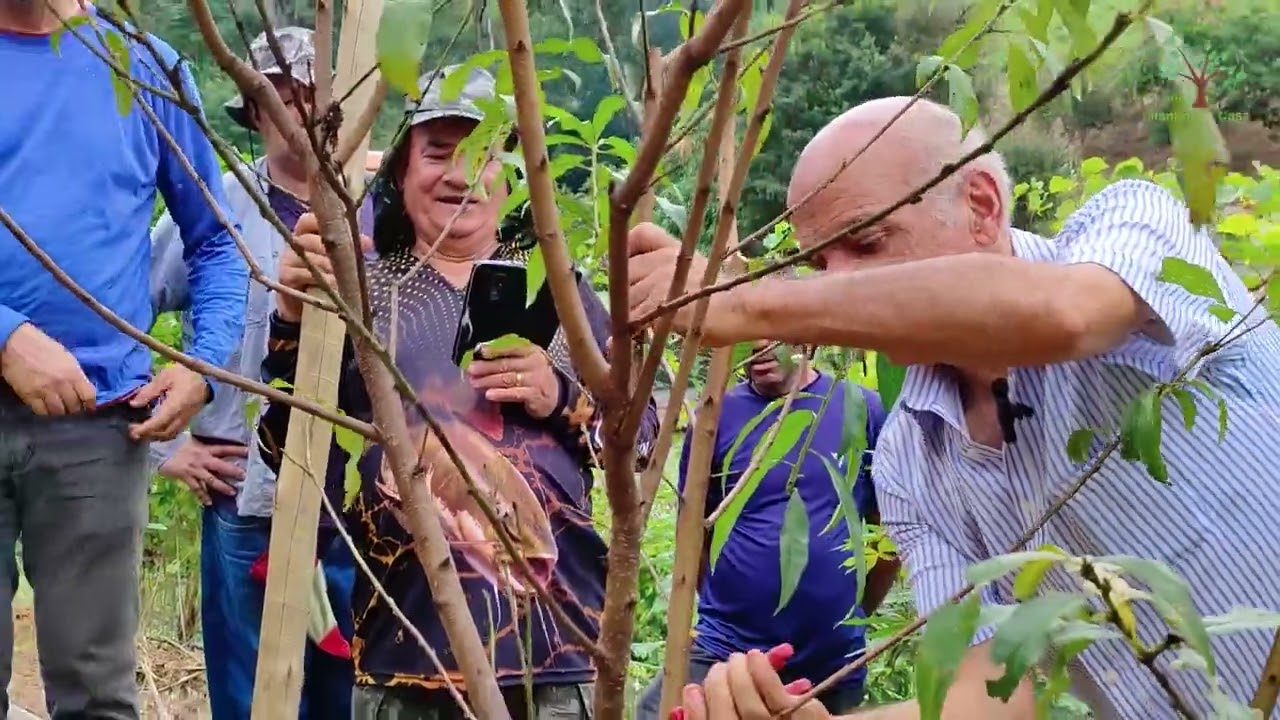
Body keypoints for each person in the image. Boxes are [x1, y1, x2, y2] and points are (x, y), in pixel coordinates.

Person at [624, 96, 1280, 719]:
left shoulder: (1132, 227)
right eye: (819, 261)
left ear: (983, 206)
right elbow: (996, 691)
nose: (836, 285)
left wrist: (739, 302)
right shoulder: (911, 458)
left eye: (869, 243)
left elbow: (1066, 315)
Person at [257, 65, 660, 718]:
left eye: (484, 155)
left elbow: (640, 443)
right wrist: (292, 320)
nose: (459, 174)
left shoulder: (561, 290)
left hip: (555, 651)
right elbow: (294, 461)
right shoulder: (358, 292)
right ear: (399, 174)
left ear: (513, 178)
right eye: (438, 153)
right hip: (405, 648)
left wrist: (561, 395)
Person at [0, 2, 247, 718]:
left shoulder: (141, 66)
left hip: (98, 430)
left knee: (96, 691)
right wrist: (6, 335)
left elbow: (216, 242)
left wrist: (202, 365)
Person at [149, 27, 375, 720]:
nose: (294, 116)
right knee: (251, 699)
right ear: (253, 114)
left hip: (357, 508)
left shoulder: (374, 207)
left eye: (309, 98)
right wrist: (167, 448)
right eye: (275, 100)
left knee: (349, 692)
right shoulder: (219, 207)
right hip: (247, 494)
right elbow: (119, 307)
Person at [635, 341, 900, 720]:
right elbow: (695, 533)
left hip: (831, 659)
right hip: (727, 647)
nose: (759, 355)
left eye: (771, 343)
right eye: (749, 346)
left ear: (805, 338)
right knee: (654, 711)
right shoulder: (717, 418)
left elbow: (885, 530)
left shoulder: (863, 408)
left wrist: (848, 613)